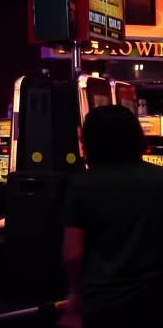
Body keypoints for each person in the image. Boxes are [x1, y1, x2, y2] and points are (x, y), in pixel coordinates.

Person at [61, 105, 163, 328]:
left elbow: (73, 255)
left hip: (102, 300)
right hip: (155, 299)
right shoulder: (159, 178)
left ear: (90, 142)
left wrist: (75, 296)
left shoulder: (82, 184)